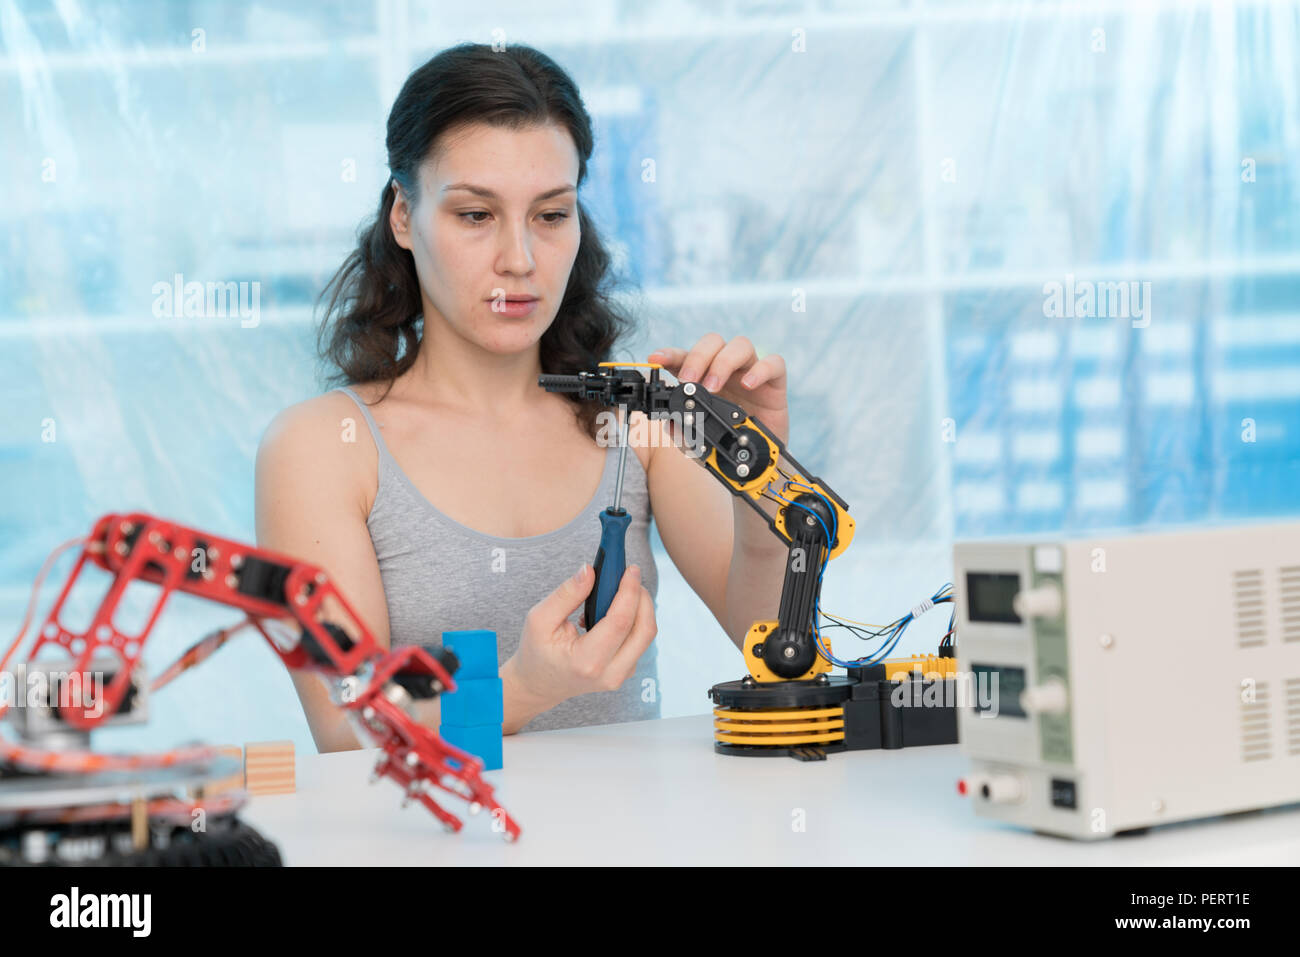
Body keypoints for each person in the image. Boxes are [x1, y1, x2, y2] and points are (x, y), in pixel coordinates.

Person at [255, 43, 790, 752]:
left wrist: (764, 478)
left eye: (550, 214)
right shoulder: (320, 448)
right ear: (404, 218)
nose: (520, 258)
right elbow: (350, 730)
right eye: (476, 215)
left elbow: (774, 639)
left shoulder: (638, 420)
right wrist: (527, 686)